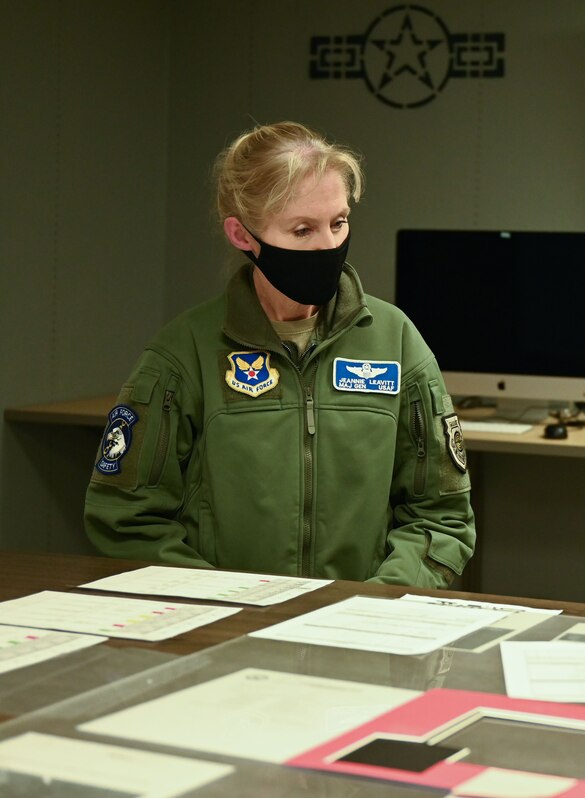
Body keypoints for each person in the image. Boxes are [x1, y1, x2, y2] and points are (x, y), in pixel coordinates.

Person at [84, 121, 475, 588]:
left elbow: (441, 518)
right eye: (302, 229)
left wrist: (374, 602)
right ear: (242, 234)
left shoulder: (397, 341)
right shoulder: (184, 352)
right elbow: (126, 520)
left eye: (339, 222)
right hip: (228, 621)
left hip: (357, 621)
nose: (329, 245)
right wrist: (226, 602)